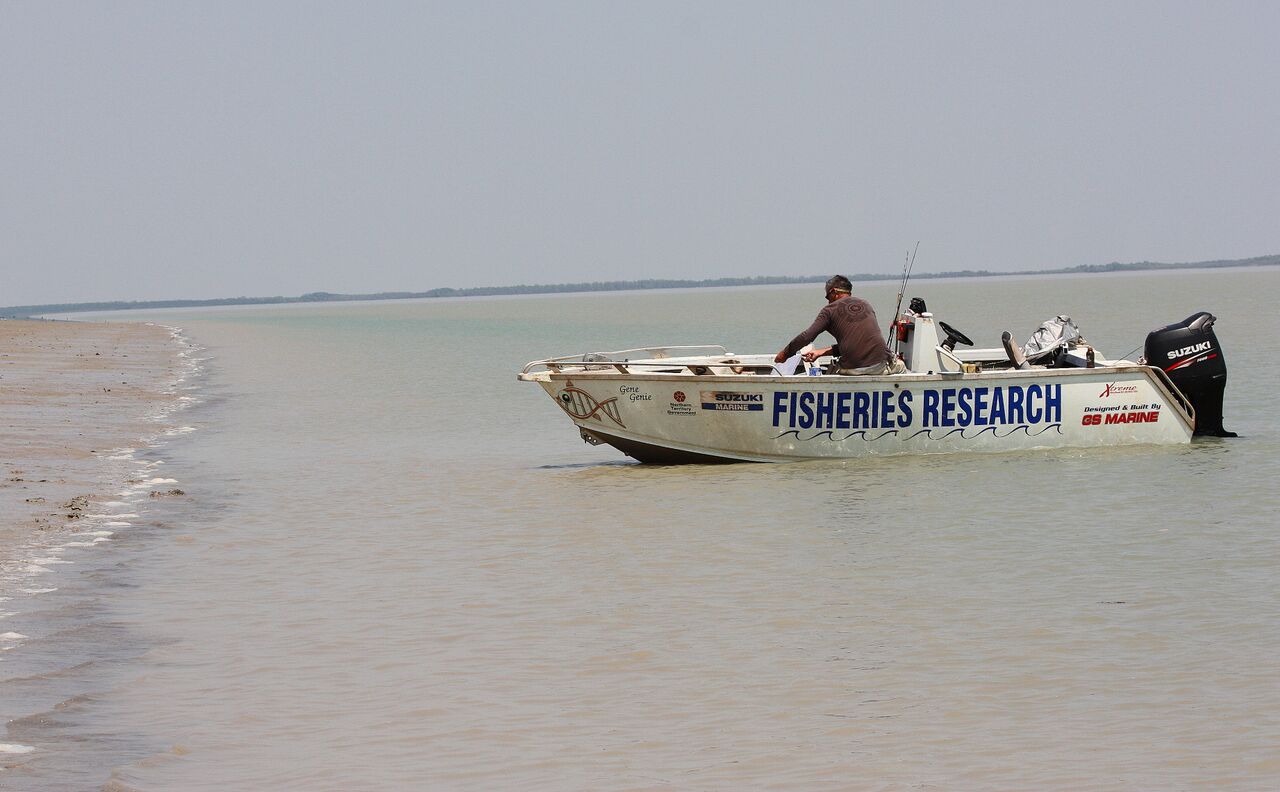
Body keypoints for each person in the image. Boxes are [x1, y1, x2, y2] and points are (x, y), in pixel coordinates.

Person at [774, 275, 907, 375]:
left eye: (827, 297)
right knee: (902, 367)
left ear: (834, 292)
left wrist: (785, 353)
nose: (827, 302)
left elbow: (807, 336)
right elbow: (856, 342)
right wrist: (821, 352)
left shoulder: (829, 310)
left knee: (829, 374)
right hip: (880, 365)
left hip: (854, 369)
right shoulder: (866, 304)